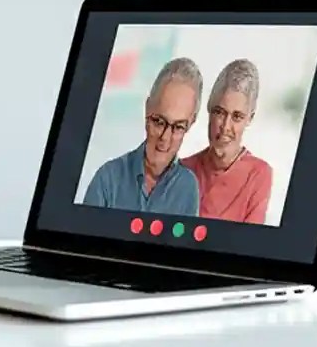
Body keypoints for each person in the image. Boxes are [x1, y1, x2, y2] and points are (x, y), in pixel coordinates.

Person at [82, 57, 203, 216]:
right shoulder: (108, 179)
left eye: (178, 127)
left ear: (191, 123)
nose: (165, 138)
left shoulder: (188, 188)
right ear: (147, 108)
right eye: (159, 122)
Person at [181, 59, 274, 224]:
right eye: (219, 112)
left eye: (237, 117)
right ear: (209, 109)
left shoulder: (258, 174)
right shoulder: (183, 170)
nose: (225, 126)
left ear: (250, 118)